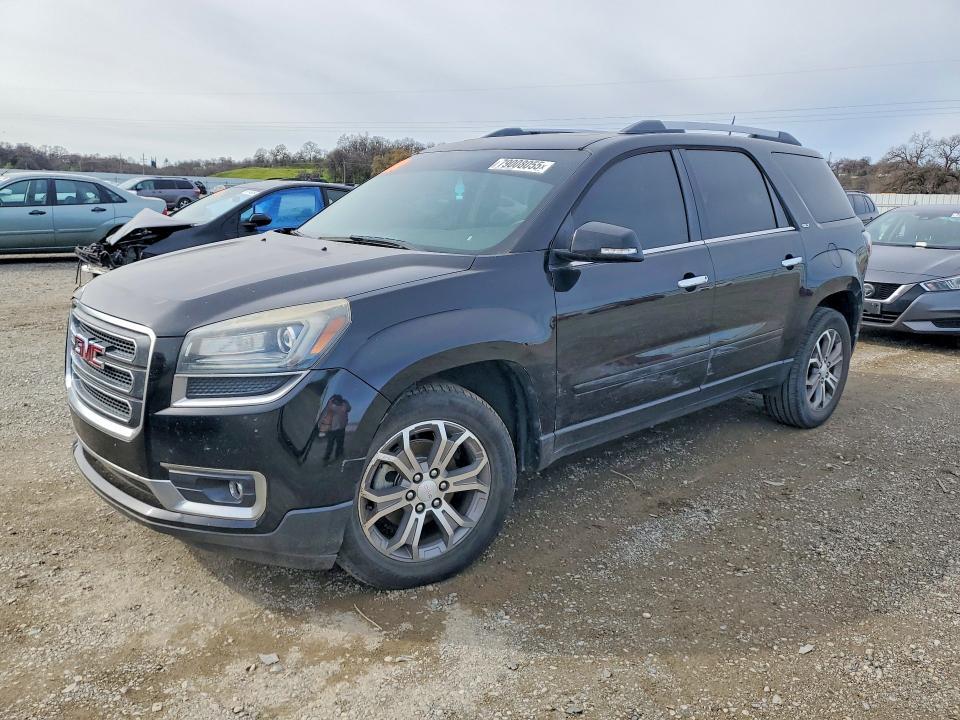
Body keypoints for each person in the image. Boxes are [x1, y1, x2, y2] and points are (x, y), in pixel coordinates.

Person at [319, 394, 351, 463]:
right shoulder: (335, 406)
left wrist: (343, 402)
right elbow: (328, 409)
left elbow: (348, 408)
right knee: (331, 445)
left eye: (338, 401)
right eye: (336, 401)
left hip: (340, 429)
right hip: (333, 429)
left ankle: (336, 457)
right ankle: (327, 458)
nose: (337, 402)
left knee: (339, 444)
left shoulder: (342, 406)